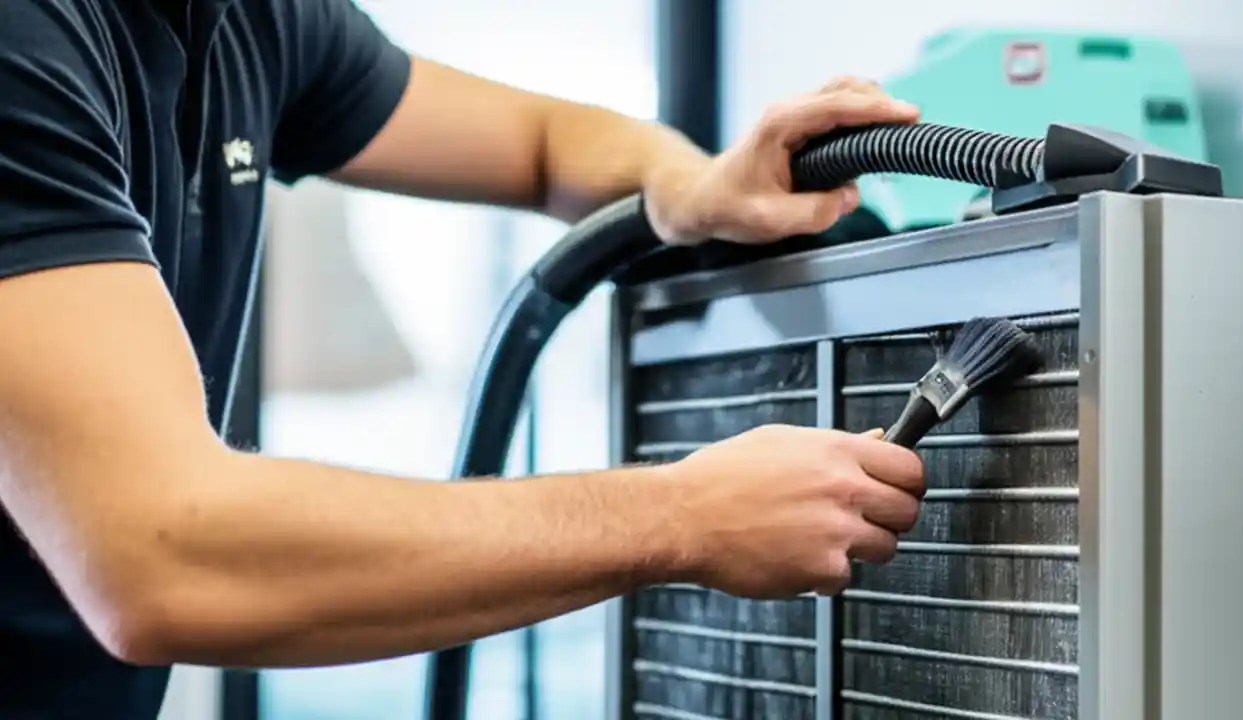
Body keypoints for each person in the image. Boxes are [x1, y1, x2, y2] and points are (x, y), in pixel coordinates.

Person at [0, 0, 927, 717]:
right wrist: (686, 515)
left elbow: (540, 146)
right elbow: (162, 554)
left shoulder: (250, 20)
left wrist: (688, 184)